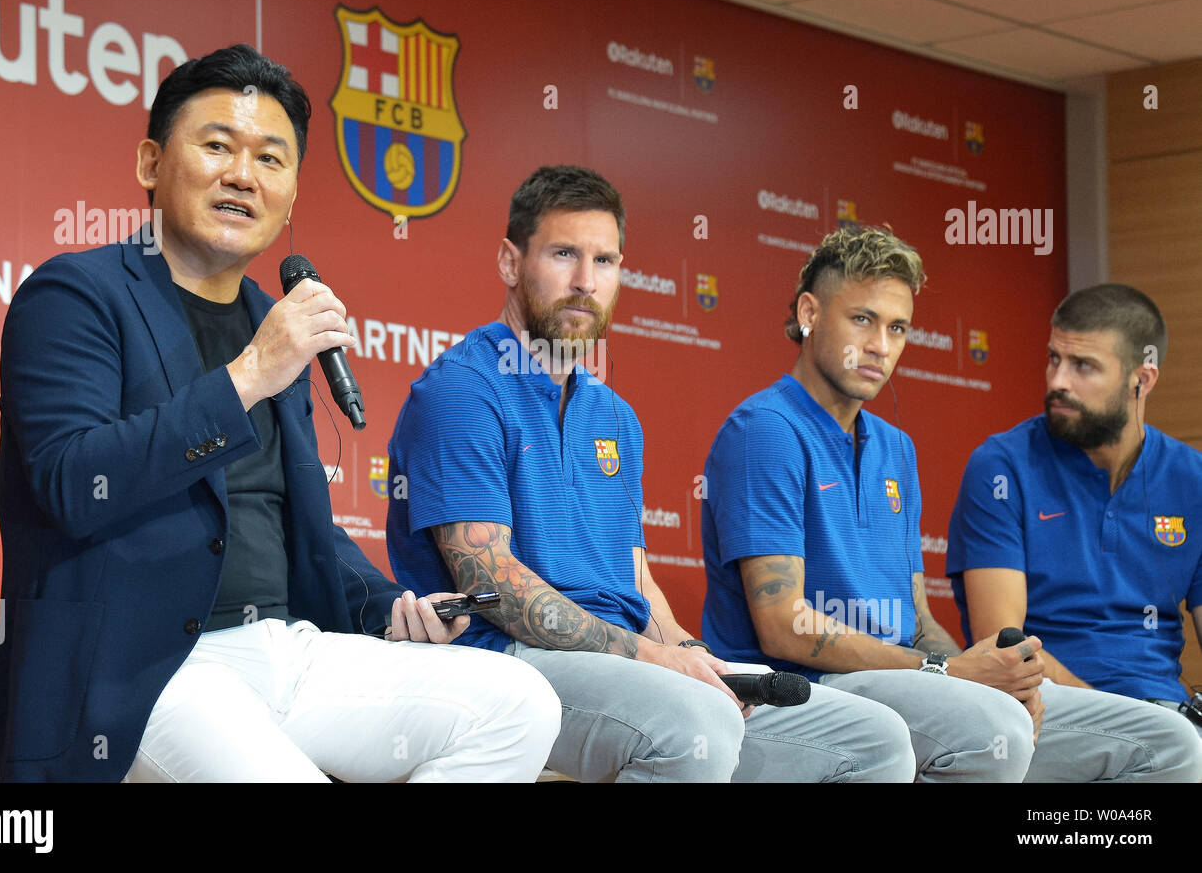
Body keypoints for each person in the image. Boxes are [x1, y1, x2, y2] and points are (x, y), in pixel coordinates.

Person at [0, 44, 560, 783]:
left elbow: (298, 526)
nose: (242, 175)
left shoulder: (268, 316)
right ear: (151, 164)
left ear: (291, 192)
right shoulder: (75, 296)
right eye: (217, 145)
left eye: (270, 159)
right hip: (143, 666)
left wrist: (392, 607)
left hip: (286, 650)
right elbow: (71, 482)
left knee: (519, 705)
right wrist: (250, 373)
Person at [387, 165, 917, 783]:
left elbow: (634, 576)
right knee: (691, 726)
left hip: (630, 664)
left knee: (875, 738)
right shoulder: (461, 390)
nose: (586, 282)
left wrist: (692, 654)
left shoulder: (615, 414)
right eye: (564, 254)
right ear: (510, 261)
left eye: (605, 261)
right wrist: (653, 657)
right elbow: (497, 588)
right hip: (507, 661)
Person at [700, 226, 1201, 781]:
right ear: (811, 313)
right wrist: (947, 670)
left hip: (902, 682)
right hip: (796, 688)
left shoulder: (895, 448)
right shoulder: (765, 429)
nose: (881, 346)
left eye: (898, 328)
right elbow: (783, 625)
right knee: (992, 729)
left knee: (1170, 741)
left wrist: (999, 675)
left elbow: (916, 623)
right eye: (862, 319)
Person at [947, 283, 1202, 748]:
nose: (1057, 380)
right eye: (1053, 359)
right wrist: (1124, 725)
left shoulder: (1192, 478)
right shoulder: (1002, 465)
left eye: (1083, 366)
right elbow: (1004, 645)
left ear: (1141, 380)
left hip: (1165, 711)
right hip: (1041, 704)